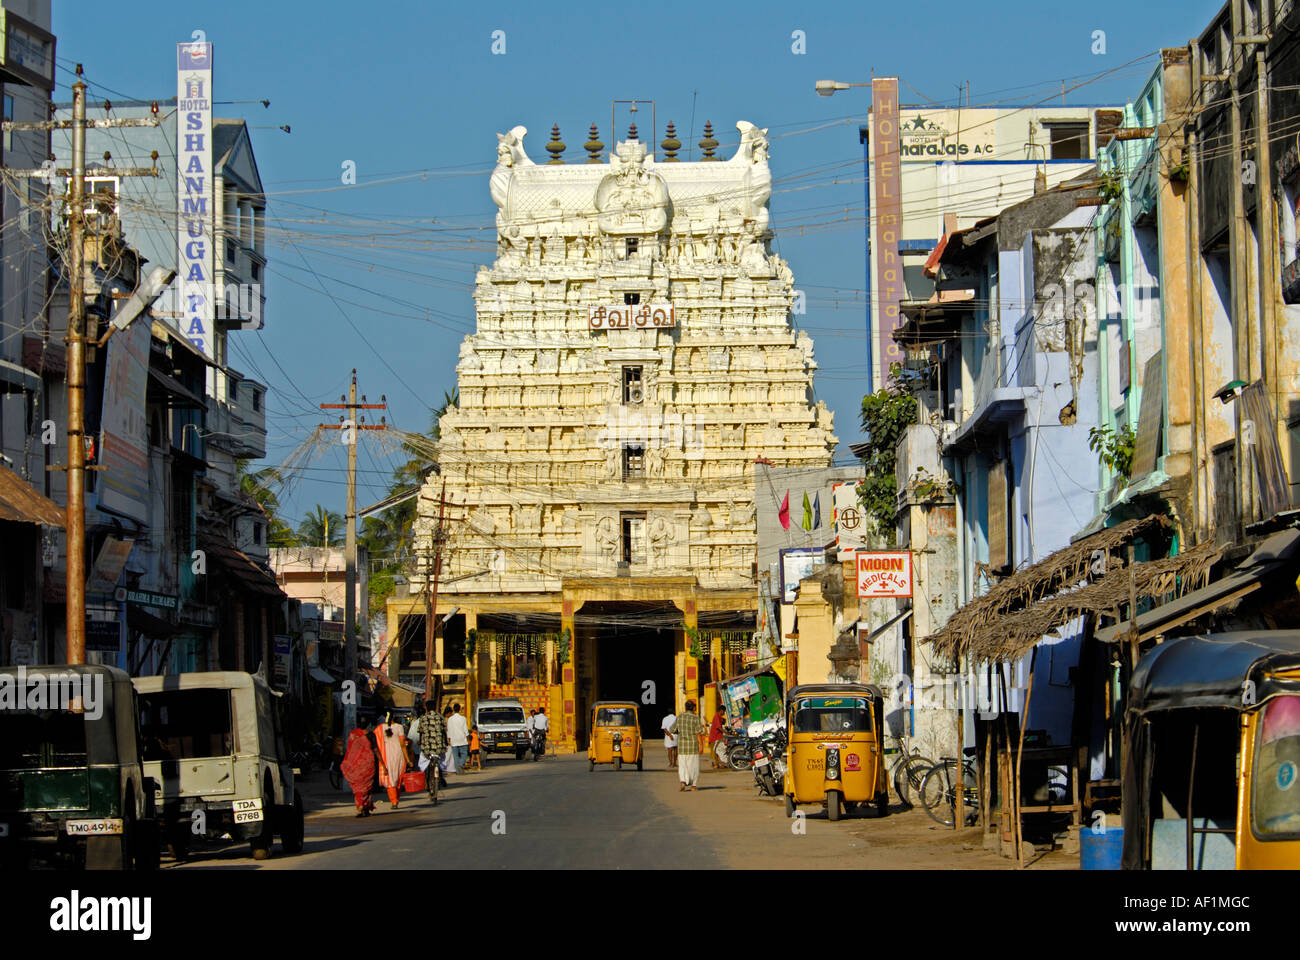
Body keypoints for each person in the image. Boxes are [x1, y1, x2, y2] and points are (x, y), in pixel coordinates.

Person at [340, 726, 376, 817]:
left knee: (358, 788)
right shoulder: (370, 735)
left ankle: (360, 807)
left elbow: (350, 750)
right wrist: (383, 763)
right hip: (368, 764)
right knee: (367, 787)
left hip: (356, 765)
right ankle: (366, 807)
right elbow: (376, 749)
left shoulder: (353, 735)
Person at [670, 700, 706, 791]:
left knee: (682, 766)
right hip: (693, 747)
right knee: (693, 766)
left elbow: (672, 729)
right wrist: (701, 746)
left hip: (682, 747)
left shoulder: (679, 717)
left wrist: (680, 731)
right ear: (693, 708)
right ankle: (693, 786)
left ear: (686, 708)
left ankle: (682, 782)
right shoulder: (695, 718)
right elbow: (698, 733)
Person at [377, 714, 407, 809]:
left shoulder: (380, 728)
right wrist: (408, 759)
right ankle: (396, 800)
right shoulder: (399, 727)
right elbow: (402, 744)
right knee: (398, 778)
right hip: (399, 755)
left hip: (386, 756)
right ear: (393, 717)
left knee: (390, 780)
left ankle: (394, 801)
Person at [419, 703, 449, 799]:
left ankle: (427, 782)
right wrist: (445, 742)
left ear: (426, 708)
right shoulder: (440, 717)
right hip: (439, 747)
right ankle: (441, 775)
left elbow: (420, 732)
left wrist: (420, 741)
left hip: (427, 747)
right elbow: (444, 731)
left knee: (424, 763)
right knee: (441, 760)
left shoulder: (423, 718)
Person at [447, 703, 470, 773]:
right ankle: (461, 764)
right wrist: (468, 738)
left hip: (454, 740)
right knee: (464, 754)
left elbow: (449, 730)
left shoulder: (450, 719)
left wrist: (449, 739)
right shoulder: (463, 718)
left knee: (455, 756)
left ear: (453, 709)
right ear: (460, 709)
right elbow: (465, 729)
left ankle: (458, 771)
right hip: (462, 739)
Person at [708, 705, 727, 769]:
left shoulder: (719, 717)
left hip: (718, 737)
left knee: (719, 751)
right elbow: (718, 727)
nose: (724, 713)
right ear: (721, 710)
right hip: (714, 737)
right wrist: (726, 733)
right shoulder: (717, 717)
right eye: (724, 711)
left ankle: (720, 764)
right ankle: (716, 764)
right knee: (715, 751)